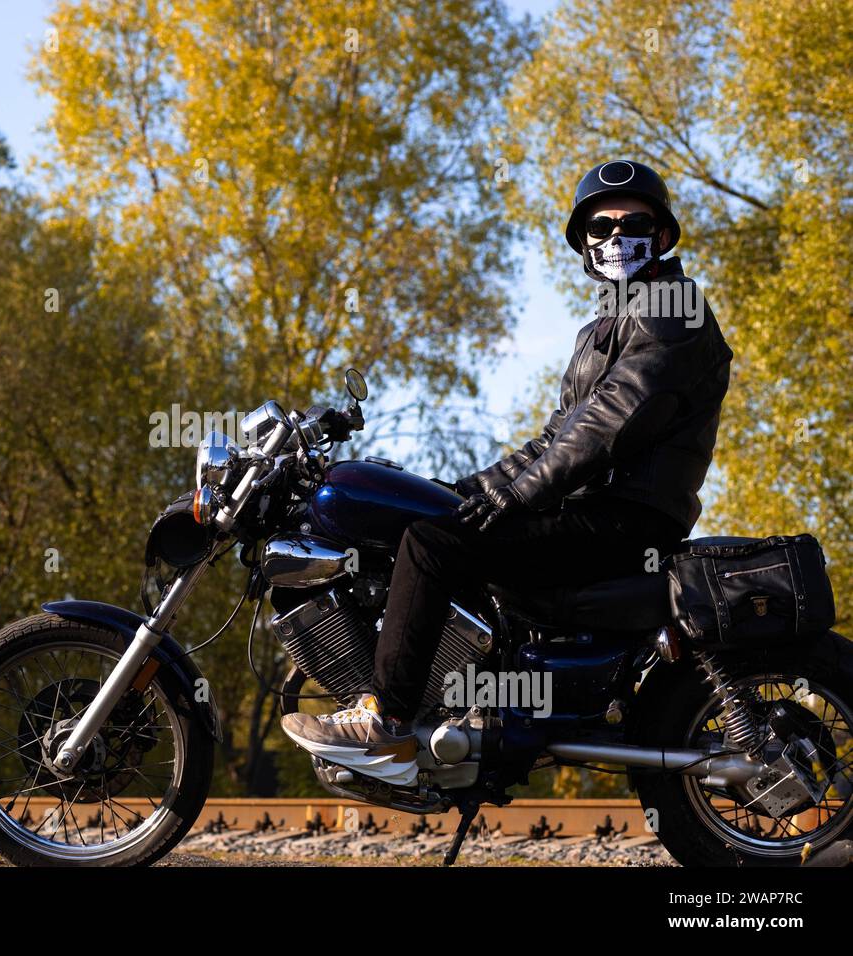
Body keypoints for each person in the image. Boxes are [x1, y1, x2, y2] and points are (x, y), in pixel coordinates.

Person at [281, 160, 734, 786]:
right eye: (600, 227)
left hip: (624, 518)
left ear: (661, 236)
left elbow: (613, 420)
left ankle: (384, 722)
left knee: (433, 547)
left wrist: (516, 494)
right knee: (437, 522)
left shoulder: (672, 307)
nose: (615, 237)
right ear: (584, 245)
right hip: (596, 510)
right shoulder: (602, 328)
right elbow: (555, 436)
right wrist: (466, 490)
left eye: (633, 223)